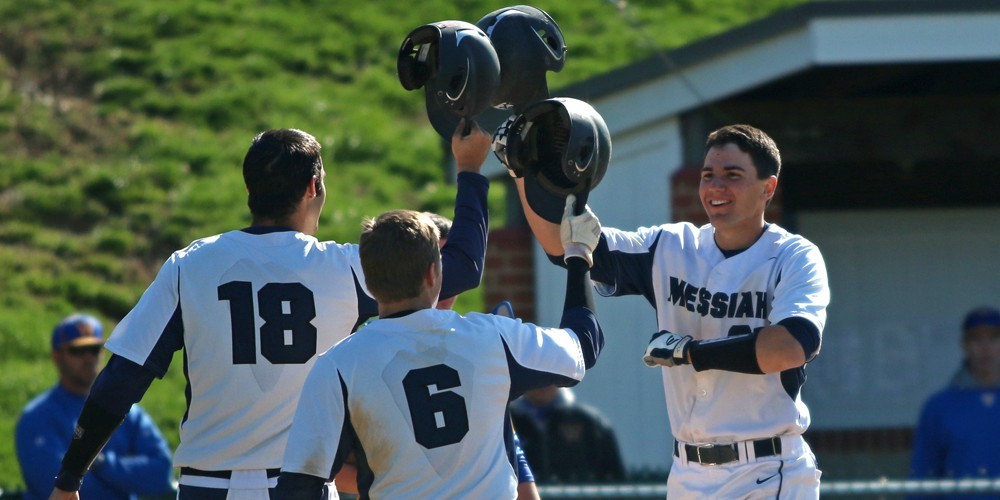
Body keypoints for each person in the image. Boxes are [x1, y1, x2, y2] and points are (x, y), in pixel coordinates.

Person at [49, 121, 493, 500]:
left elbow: (122, 378)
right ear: (313, 187)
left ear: (249, 190)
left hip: (208, 488)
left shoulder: (192, 266)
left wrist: (70, 476)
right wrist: (471, 170)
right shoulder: (342, 269)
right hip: (302, 487)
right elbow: (463, 269)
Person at [513, 124, 829, 498]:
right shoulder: (671, 246)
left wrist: (689, 352)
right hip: (688, 472)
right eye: (708, 176)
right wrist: (521, 170)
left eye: (733, 175)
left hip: (767, 466)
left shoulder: (794, 256)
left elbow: (791, 346)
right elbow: (564, 243)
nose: (716, 187)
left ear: (768, 188)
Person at [275, 207, 604, 498]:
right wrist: (577, 256)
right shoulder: (494, 338)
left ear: (369, 280)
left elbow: (299, 487)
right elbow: (583, 346)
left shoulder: (337, 365)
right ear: (434, 273)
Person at [15, 313, 173, 500]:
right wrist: (122, 482)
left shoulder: (128, 413)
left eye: (94, 348)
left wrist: (99, 464)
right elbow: (57, 488)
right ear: (57, 356)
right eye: (78, 350)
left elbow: (161, 473)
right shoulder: (36, 417)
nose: (88, 357)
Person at [909, 306, 1000, 495]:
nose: (986, 348)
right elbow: (923, 475)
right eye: (976, 339)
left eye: (993, 338)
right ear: (964, 345)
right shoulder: (939, 407)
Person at [508, 385, 626, 484]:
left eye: (550, 371)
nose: (543, 382)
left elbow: (615, 478)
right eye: (535, 372)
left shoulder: (590, 423)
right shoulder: (504, 422)